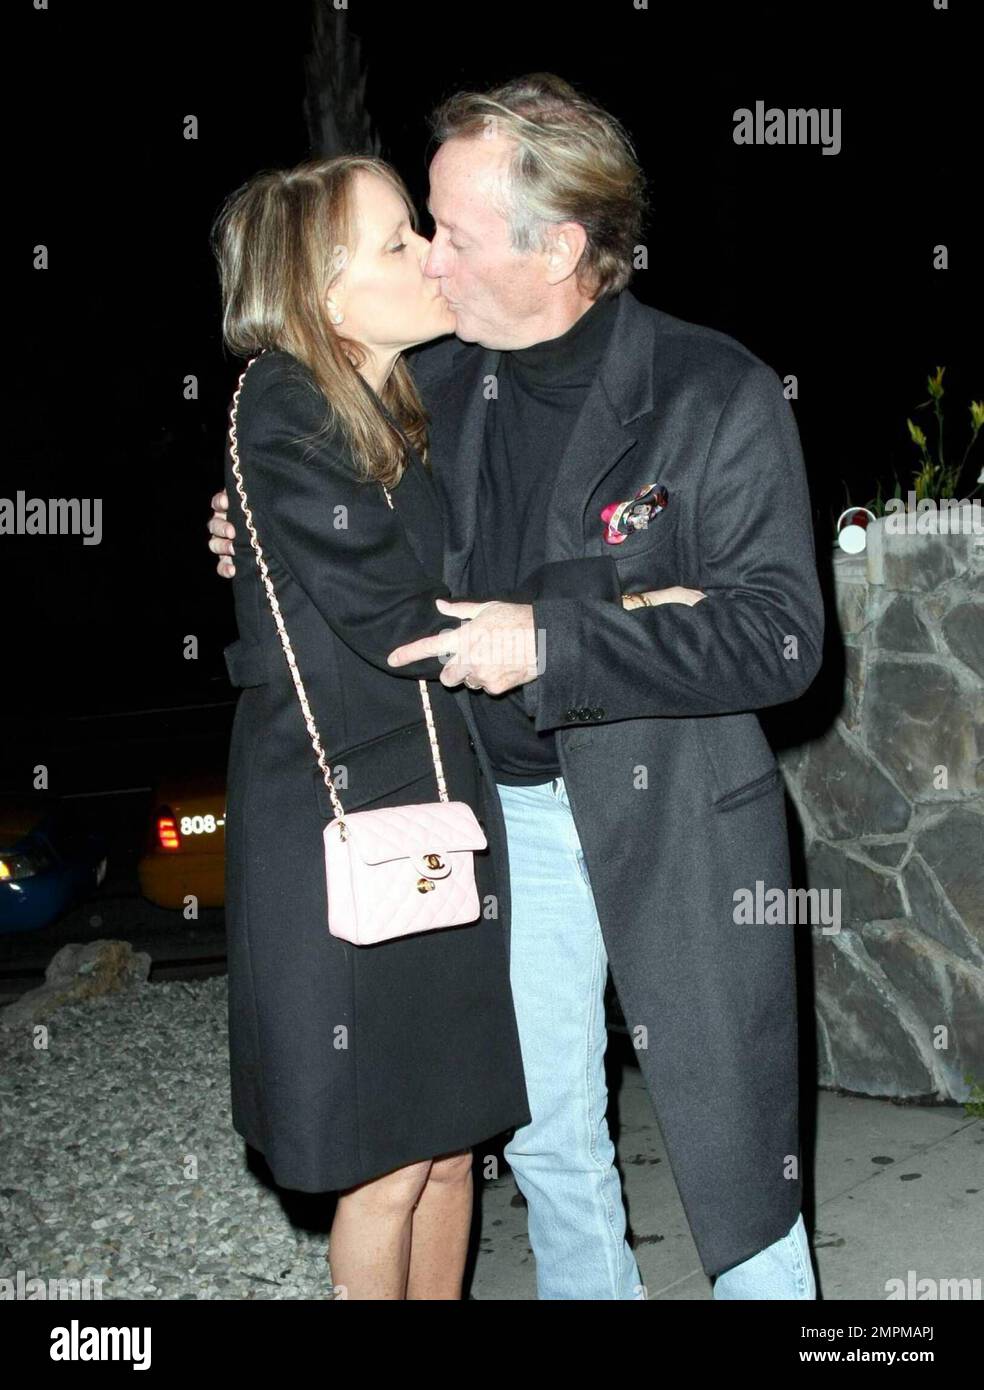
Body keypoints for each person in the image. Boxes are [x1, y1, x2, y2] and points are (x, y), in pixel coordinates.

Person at [208, 73, 824, 1301]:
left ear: (559, 248)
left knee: (740, 1159)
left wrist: (558, 636)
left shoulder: (715, 392)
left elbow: (781, 642)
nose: (429, 259)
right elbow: (348, 533)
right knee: (546, 1137)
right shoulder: (420, 388)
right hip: (505, 819)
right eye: (415, 229)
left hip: (678, 819)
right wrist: (251, 523)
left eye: (452, 232)